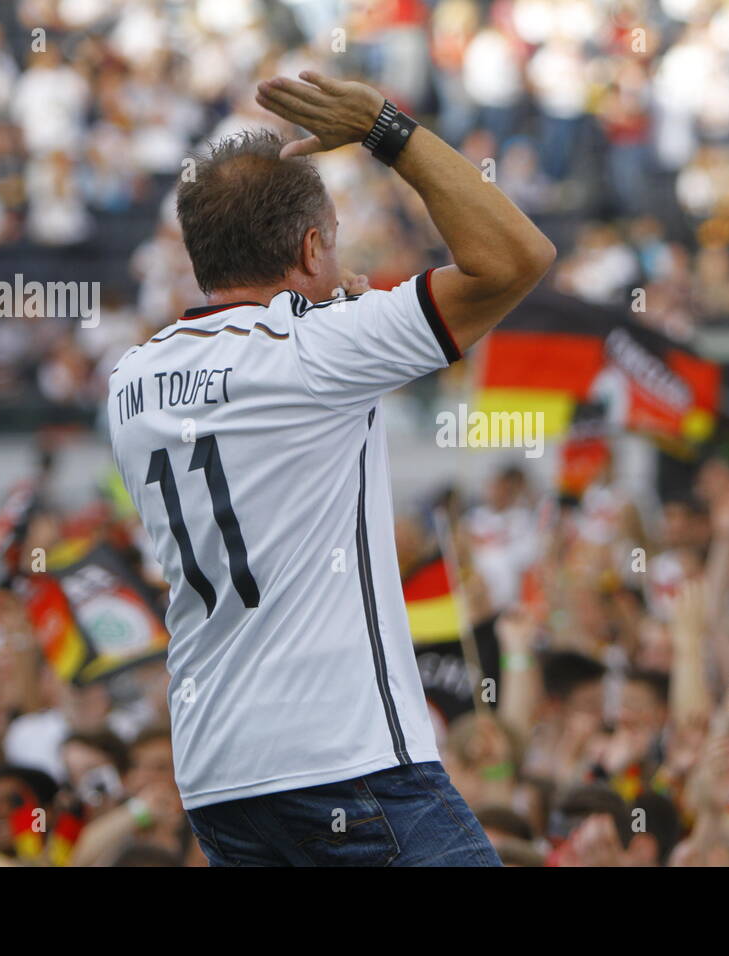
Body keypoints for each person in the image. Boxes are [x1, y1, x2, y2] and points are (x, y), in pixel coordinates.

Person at [106, 70, 555, 866]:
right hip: (343, 757)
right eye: (334, 241)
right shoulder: (317, 352)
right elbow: (516, 258)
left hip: (216, 771)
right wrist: (390, 129)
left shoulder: (130, 382)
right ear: (311, 247)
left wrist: (332, 312)